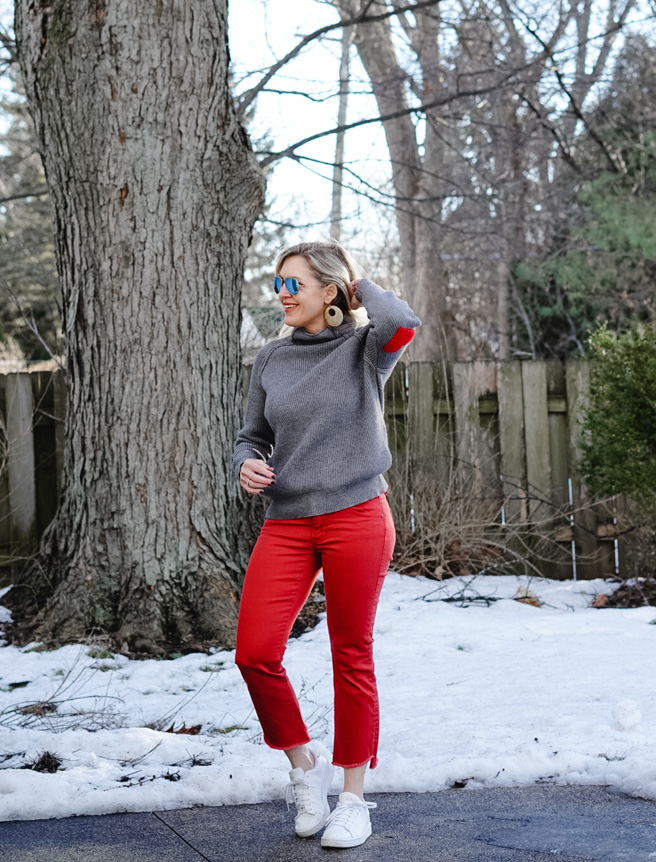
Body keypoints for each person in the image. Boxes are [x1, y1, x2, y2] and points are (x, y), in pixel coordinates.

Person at [232, 239, 421, 849]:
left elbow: (404, 322)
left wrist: (356, 286)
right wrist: (247, 463)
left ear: (330, 290)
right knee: (255, 652)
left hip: (357, 515)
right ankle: (303, 770)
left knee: (351, 653)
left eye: (294, 284)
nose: (282, 295)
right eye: (278, 284)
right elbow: (252, 434)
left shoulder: (366, 350)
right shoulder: (271, 359)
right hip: (288, 520)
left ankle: (354, 799)